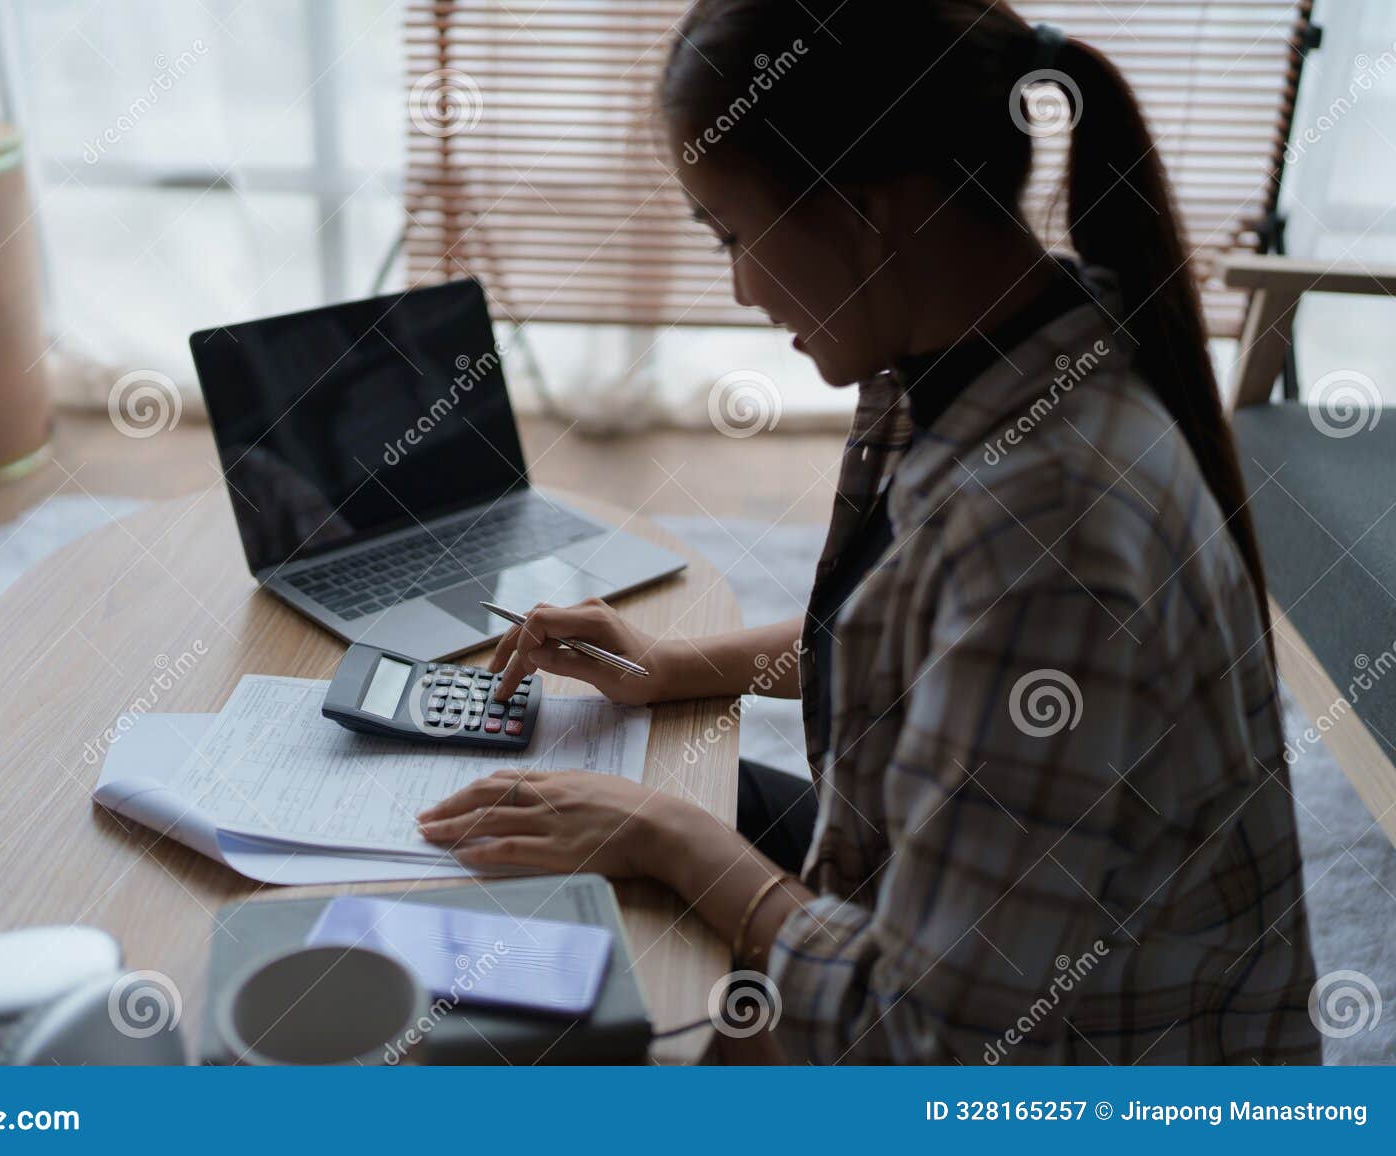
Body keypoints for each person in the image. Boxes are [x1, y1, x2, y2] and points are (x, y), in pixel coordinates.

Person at [418, 0, 1320, 1064]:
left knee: (570, 976)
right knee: (603, 816)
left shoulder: (1048, 543)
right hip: (977, 919)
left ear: (866, 211)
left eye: (734, 234)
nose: (741, 287)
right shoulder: (989, 349)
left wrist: (666, 838)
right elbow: (910, 652)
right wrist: (672, 666)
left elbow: (922, 1036)